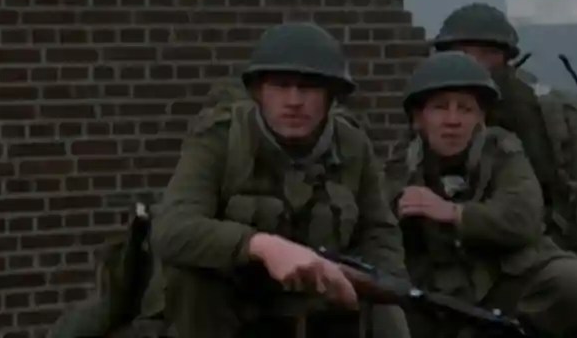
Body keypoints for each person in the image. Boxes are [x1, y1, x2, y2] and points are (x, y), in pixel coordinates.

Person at [146, 22, 410, 338]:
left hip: (318, 305)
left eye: (308, 88)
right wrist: (262, 246)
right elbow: (171, 228)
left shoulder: (352, 146)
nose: (294, 101)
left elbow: (379, 232)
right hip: (230, 309)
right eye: (281, 86)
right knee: (189, 275)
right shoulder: (221, 138)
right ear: (259, 92)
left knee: (389, 312)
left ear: (330, 97)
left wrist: (375, 286)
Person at [423, 2, 577, 291]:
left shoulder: (554, 118)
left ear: (507, 59)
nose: (475, 63)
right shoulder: (428, 117)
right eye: (463, 53)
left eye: (488, 53)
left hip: (552, 273)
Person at [396, 50, 577, 336]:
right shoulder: (402, 163)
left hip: (503, 281)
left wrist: (455, 213)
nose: (453, 120)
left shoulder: (503, 152)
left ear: (481, 119)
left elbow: (522, 218)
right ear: (418, 118)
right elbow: (379, 228)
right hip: (436, 289)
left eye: (465, 109)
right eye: (440, 107)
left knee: (572, 280)